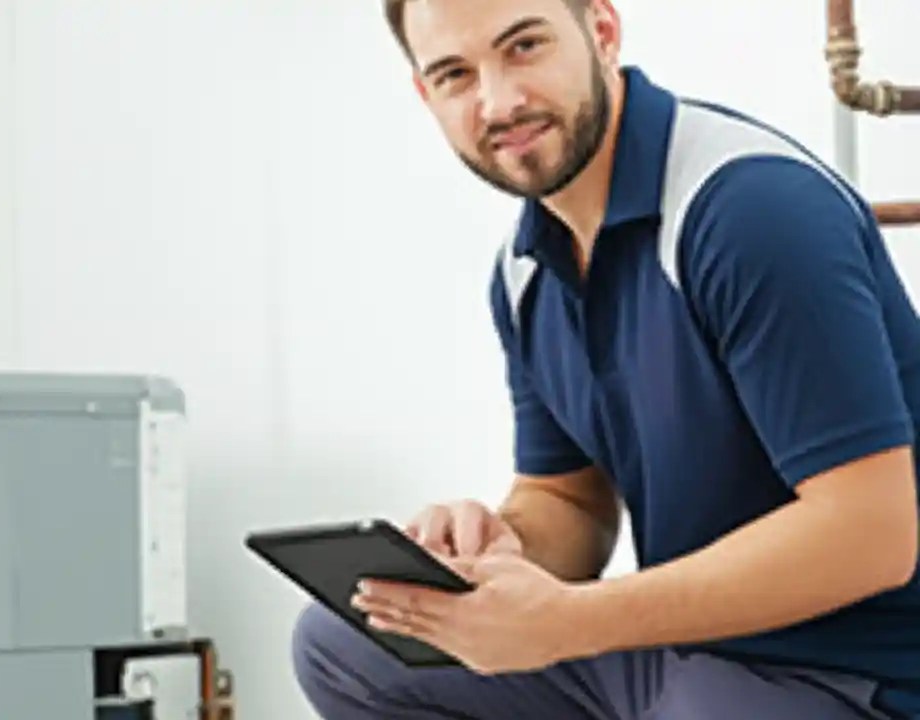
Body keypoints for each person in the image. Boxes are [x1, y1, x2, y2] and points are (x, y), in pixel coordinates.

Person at [289, 0, 920, 718]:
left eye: (523, 46)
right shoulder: (525, 270)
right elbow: (568, 501)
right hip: (691, 651)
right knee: (344, 645)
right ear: (426, 95)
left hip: (855, 677)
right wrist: (498, 551)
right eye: (456, 74)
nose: (499, 101)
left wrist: (570, 622)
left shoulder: (752, 212)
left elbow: (872, 536)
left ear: (603, 32)